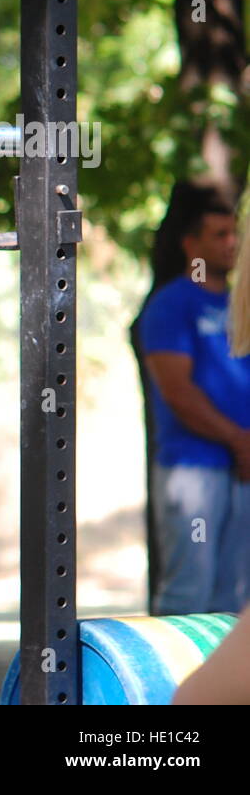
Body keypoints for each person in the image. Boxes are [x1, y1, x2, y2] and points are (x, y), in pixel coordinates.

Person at [140, 187, 250, 615]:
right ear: (192, 244)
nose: (232, 243)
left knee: (236, 600)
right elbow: (178, 391)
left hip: (242, 471)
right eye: (220, 234)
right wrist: (238, 440)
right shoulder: (172, 305)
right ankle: (171, 684)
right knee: (190, 593)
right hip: (194, 470)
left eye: (235, 233)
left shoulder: (241, 305)